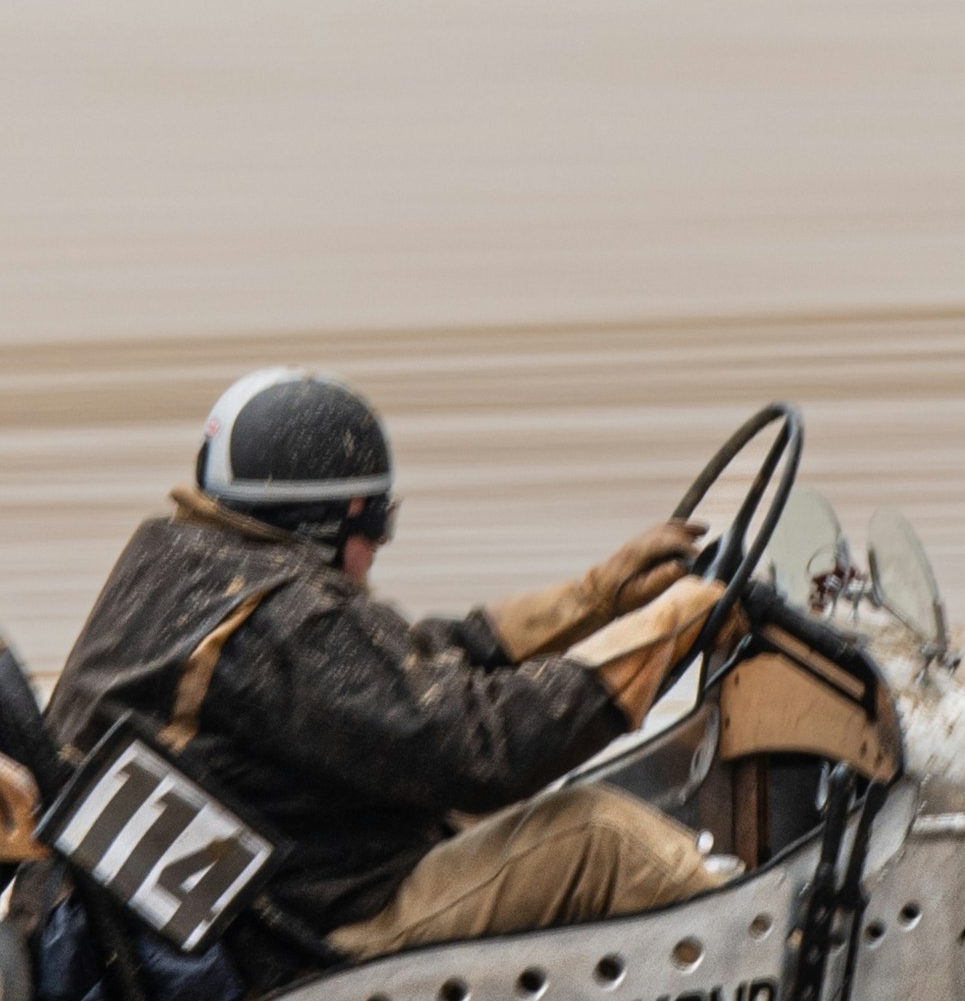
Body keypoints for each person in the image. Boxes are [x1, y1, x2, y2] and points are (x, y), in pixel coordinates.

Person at [50, 370, 728, 959]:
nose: (377, 544)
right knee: (599, 834)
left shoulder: (183, 562)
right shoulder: (283, 619)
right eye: (376, 522)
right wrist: (663, 633)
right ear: (331, 519)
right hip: (316, 926)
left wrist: (594, 599)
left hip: (269, 886)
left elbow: (393, 679)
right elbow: (481, 752)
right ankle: (766, 987)